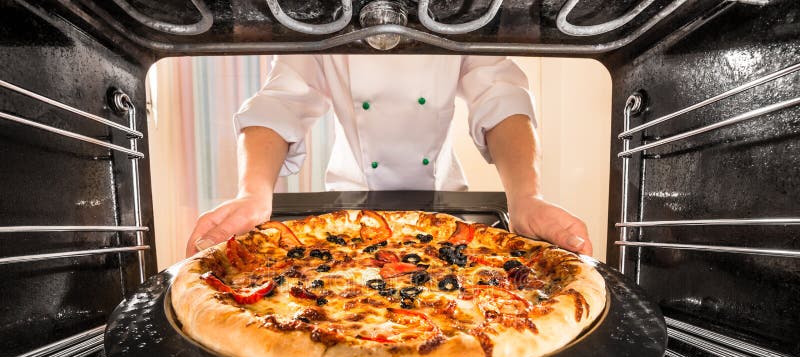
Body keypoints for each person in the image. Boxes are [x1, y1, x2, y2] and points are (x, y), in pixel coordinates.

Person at [186, 55, 592, 257]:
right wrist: (252, 193)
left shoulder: (461, 11)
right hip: (350, 208)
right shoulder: (321, 11)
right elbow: (280, 103)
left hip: (447, 208)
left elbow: (500, 96)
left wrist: (526, 197)